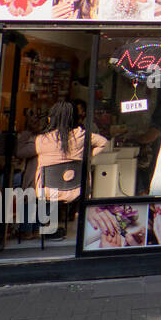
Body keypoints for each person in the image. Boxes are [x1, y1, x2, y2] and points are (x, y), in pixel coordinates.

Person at [21, 101, 109, 236]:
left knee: (34, 166)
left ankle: (28, 229)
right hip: (75, 189)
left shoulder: (42, 140)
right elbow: (104, 143)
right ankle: (41, 224)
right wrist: (86, 156)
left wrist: (27, 132)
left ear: (51, 118)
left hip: (48, 190)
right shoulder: (81, 136)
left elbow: (20, 152)